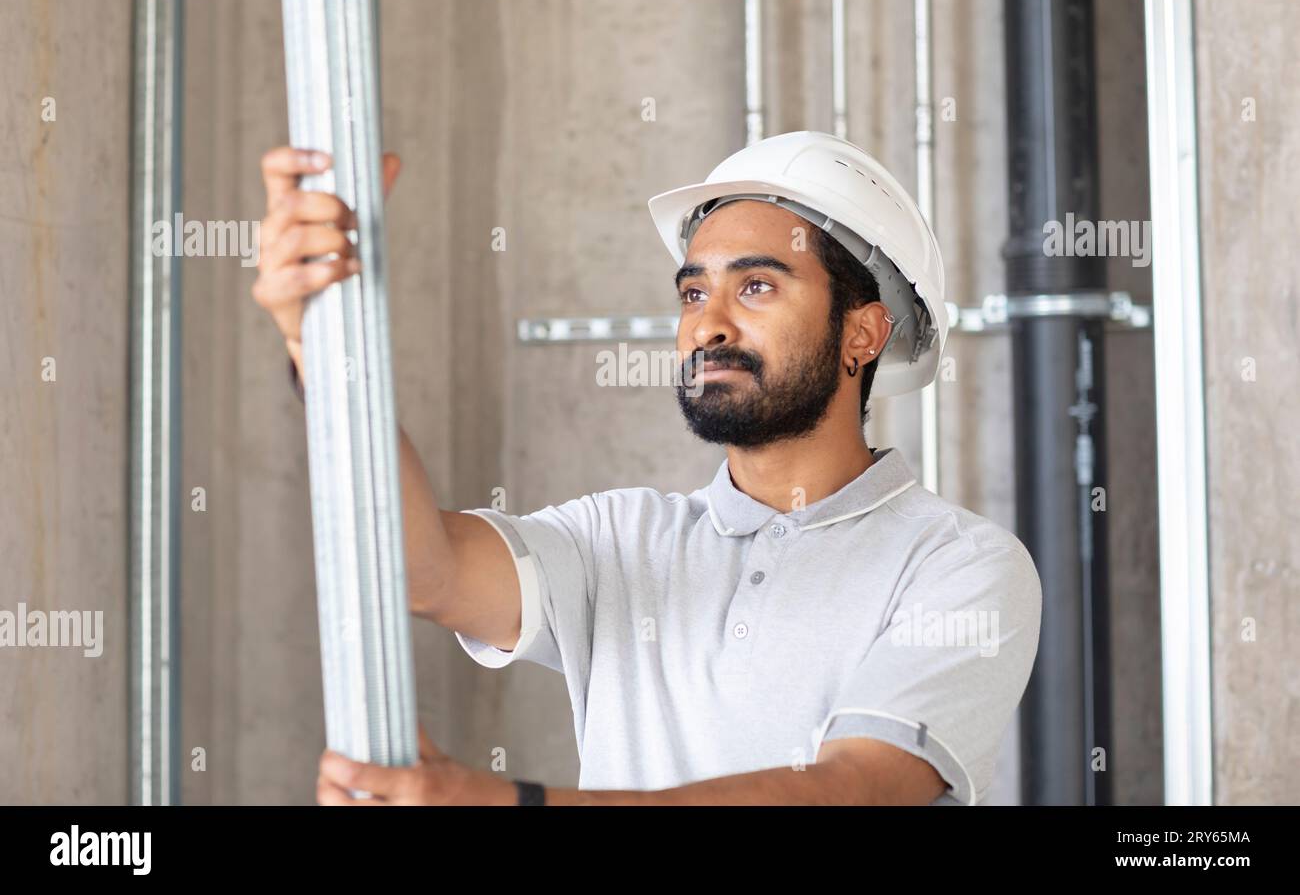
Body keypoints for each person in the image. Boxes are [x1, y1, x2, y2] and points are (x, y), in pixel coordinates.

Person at [253, 131, 1042, 806]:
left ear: (863, 334)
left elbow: (846, 790)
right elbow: (425, 570)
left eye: (758, 285)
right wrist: (321, 345)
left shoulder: (959, 565)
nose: (709, 325)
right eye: (693, 292)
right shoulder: (619, 540)